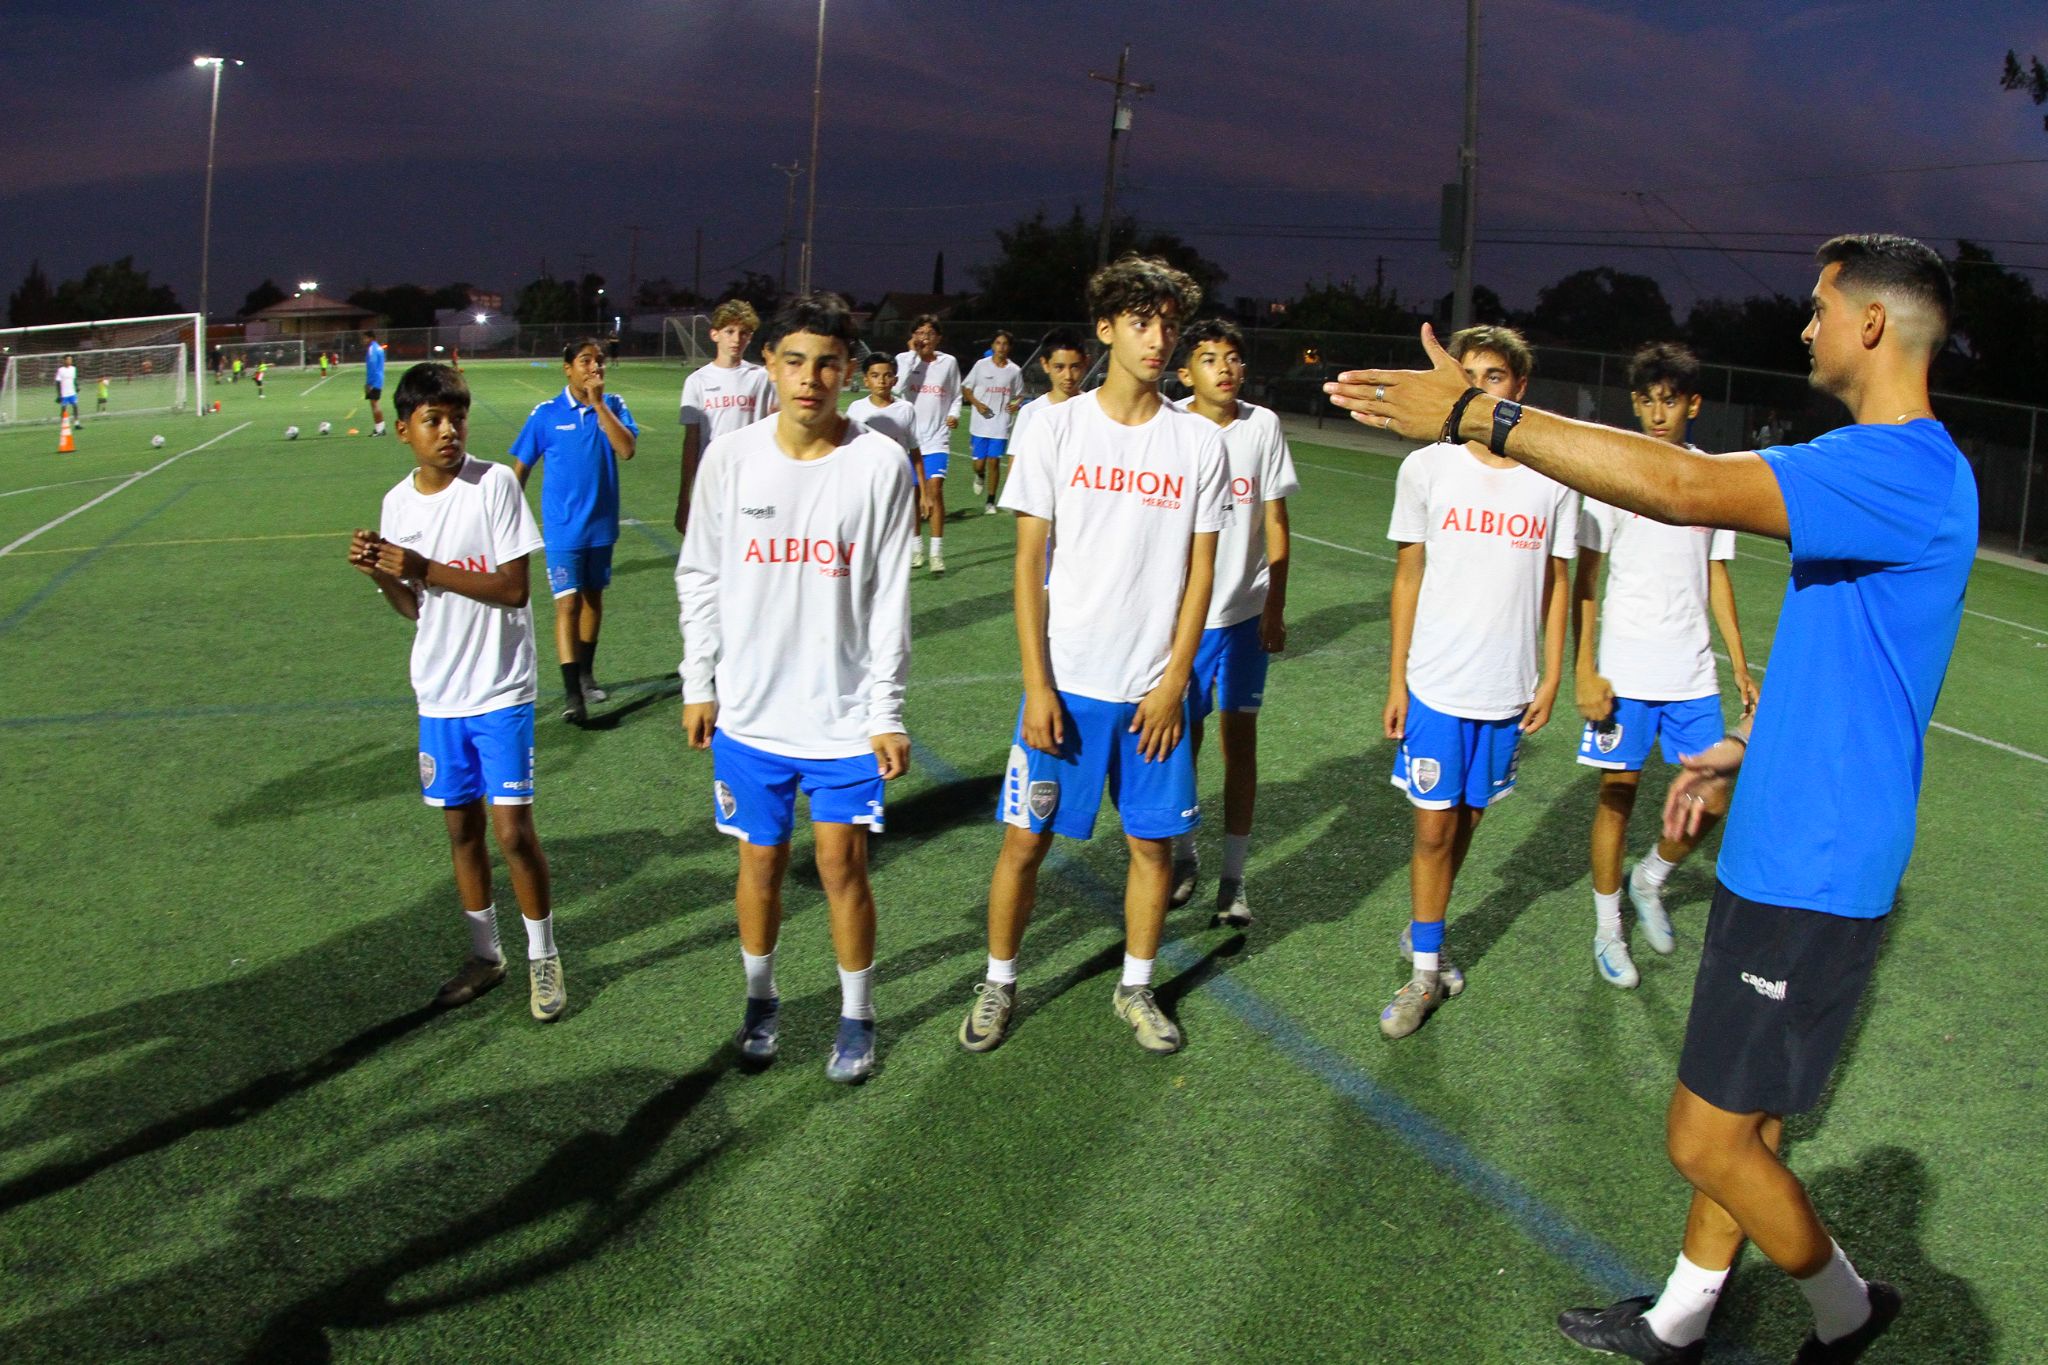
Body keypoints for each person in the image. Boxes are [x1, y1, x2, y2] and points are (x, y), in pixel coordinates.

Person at [1330, 234, 1976, 1365]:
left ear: (1871, 325)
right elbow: (1856, 658)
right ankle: (1681, 1315)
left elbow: (1679, 488)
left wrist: (1478, 417)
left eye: (1819, 307)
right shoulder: (1881, 464)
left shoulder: (1899, 466)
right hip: (1791, 834)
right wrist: (1739, 747)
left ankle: (1845, 1311)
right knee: (1747, 1121)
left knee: (1703, 1140)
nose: (1803, 326)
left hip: (1814, 865)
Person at [957, 255, 1231, 1057]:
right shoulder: (1055, 426)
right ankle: (1000, 981)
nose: (1159, 338)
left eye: (1170, 324)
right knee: (1023, 844)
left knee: (1151, 847)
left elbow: (1201, 573)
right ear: (1105, 328)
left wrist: (1176, 681)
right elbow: (1027, 565)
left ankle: (1136, 986)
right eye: (1142, 322)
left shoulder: (1198, 443)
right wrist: (1037, 684)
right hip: (1065, 690)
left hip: (1154, 695)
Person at [676, 293, 916, 1085]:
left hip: (843, 718)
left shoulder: (879, 461)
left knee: (841, 865)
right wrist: (698, 682)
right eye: (793, 361)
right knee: (760, 863)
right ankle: (761, 999)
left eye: (826, 363)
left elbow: (888, 597)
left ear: (848, 370)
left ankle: (857, 1014)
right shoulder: (732, 457)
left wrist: (885, 711)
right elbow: (701, 575)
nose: (809, 378)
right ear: (770, 366)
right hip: (749, 712)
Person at [345, 362, 566, 1022]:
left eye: (457, 417)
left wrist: (420, 566)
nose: (449, 431)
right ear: (404, 431)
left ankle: (543, 955)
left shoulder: (493, 484)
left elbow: (513, 589)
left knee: (512, 830)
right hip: (438, 692)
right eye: (433, 421)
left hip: (500, 687)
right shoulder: (397, 503)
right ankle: (485, 954)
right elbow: (415, 607)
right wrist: (380, 573)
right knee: (461, 830)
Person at [1379, 325, 1577, 1041]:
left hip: (1507, 688)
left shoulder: (1553, 478)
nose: (1478, 385)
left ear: (1518, 389)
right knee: (1432, 829)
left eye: (1493, 375)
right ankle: (1425, 972)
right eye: (1468, 373)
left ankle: (1424, 928)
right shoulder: (1426, 469)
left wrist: (1553, 672)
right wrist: (1397, 677)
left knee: (1466, 820)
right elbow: (1409, 575)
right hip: (1434, 682)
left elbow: (1559, 582)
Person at [1574, 342, 1758, 990]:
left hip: (1691, 672)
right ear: (1635, 403)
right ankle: (1606, 928)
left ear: (1694, 404)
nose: (1658, 411)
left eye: (1670, 399)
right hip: (1624, 671)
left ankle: (1650, 877)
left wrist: (1739, 663)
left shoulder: (1714, 478)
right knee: (1616, 797)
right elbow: (1586, 578)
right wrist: (1583, 667)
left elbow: (1716, 573)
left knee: (1712, 794)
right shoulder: (1615, 470)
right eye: (1648, 399)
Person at [1166, 318, 1298, 927]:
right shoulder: (1169, 426)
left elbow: (1276, 522)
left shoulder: (1262, 426)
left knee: (1238, 746)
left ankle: (1234, 880)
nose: (1224, 367)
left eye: (1233, 357)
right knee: (1180, 743)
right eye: (1208, 357)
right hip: (1181, 624)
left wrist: (1274, 605)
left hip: (1244, 616)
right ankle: (1183, 854)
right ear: (1185, 370)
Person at [510, 337, 639, 724]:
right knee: (566, 604)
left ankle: (586, 674)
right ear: (567, 368)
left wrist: (599, 404)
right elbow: (520, 468)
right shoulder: (546, 414)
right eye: (585, 360)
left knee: (593, 600)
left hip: (601, 527)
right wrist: (507, 514)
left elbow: (627, 450)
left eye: (598, 361)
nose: (594, 367)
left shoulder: (613, 406)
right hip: (563, 530)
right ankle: (571, 695)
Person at [677, 300, 778, 535]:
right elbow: (691, 441)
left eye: (744, 333)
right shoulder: (697, 381)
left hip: (753, 482)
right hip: (712, 481)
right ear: (715, 334)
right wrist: (684, 497)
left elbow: (778, 428)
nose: (736, 339)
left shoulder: (761, 378)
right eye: (729, 331)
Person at [895, 315, 962, 574]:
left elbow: (956, 394)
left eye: (929, 333)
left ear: (938, 337)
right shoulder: (903, 360)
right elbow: (898, 387)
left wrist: (953, 414)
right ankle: (916, 548)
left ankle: (936, 552)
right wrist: (913, 355)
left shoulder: (948, 363)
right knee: (913, 494)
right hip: (909, 439)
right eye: (920, 332)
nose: (925, 337)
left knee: (934, 490)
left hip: (937, 438)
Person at [845, 352, 934, 535]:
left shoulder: (905, 409)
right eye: (875, 375)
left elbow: (915, 453)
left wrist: (924, 494)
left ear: (895, 380)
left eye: (887, 375)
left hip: (896, 484)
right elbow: (847, 452)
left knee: (893, 535)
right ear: (866, 380)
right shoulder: (856, 410)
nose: (882, 381)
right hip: (864, 485)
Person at [961, 330, 1027, 515]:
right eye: (998, 343)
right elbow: (966, 388)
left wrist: (1015, 404)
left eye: (1005, 344)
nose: (1001, 347)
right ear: (992, 346)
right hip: (980, 423)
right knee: (979, 464)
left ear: (1010, 348)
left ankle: (990, 500)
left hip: (1001, 423)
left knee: (994, 462)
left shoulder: (1014, 370)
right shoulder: (981, 366)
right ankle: (979, 476)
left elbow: (1020, 394)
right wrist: (976, 403)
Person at [1008, 328, 1088, 452]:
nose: (1068, 376)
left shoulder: (1094, 408)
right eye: (1059, 367)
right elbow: (1016, 465)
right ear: (1045, 364)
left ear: (1085, 363)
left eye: (1074, 367)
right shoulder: (1031, 412)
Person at [363, 330, 388, 436]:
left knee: (374, 404)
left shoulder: (372, 349)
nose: (363, 340)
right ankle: (380, 428)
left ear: (370, 338)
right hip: (379, 379)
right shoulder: (379, 348)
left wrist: (369, 383)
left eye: (365, 338)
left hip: (374, 380)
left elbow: (372, 366)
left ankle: (380, 429)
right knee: (375, 403)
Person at [55, 356, 79, 424]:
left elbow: (74, 380)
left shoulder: (73, 369)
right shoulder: (60, 370)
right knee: (64, 408)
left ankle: (77, 423)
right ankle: (63, 423)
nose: (70, 361)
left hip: (72, 392)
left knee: (75, 406)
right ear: (64, 361)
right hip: (64, 393)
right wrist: (59, 394)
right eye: (68, 359)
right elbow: (57, 383)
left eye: (71, 359)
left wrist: (77, 386)